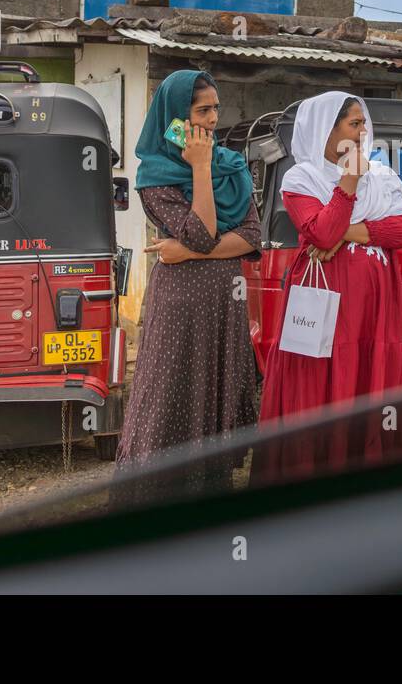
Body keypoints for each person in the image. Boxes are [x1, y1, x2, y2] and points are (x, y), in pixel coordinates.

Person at [252, 92, 402, 482]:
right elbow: (322, 235)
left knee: (370, 376)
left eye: (363, 123)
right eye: (352, 124)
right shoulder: (301, 178)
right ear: (326, 129)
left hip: (376, 307)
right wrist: (348, 180)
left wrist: (354, 233)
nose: (362, 133)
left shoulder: (382, 176)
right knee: (321, 378)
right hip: (323, 301)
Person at [113, 69, 260, 500]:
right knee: (168, 393)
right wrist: (198, 168)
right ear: (176, 115)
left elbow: (250, 237)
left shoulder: (231, 166)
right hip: (180, 302)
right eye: (202, 110)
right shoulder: (156, 175)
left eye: (216, 108)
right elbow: (201, 230)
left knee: (215, 392)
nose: (213, 119)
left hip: (225, 300)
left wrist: (188, 252)